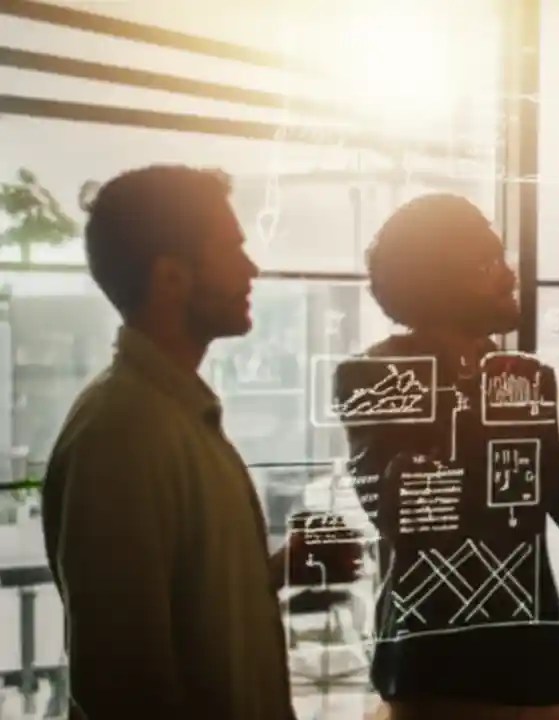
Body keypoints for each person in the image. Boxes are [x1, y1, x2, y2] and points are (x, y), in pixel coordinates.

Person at [40, 165, 346, 719]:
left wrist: (273, 574)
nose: (251, 268)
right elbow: (120, 679)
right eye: (232, 248)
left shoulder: (173, 415)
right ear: (172, 277)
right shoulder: (122, 435)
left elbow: (178, 607)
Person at [333, 193, 559, 720]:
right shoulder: (373, 377)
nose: (508, 276)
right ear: (437, 279)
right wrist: (487, 411)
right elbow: (408, 516)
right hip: (430, 673)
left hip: (534, 675)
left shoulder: (526, 379)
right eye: (487, 264)